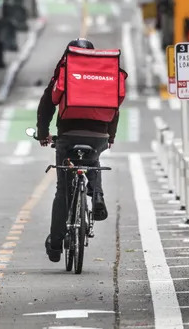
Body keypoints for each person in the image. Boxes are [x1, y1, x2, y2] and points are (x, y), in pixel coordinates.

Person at [37, 38, 123, 263]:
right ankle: (97, 196)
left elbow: (48, 103)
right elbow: (115, 109)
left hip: (67, 137)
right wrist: (110, 137)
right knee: (92, 159)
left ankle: (56, 244)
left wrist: (43, 132)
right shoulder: (105, 74)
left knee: (62, 190)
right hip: (98, 137)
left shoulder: (65, 72)